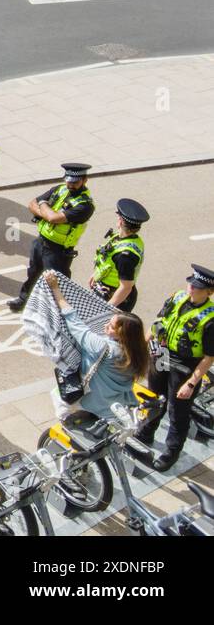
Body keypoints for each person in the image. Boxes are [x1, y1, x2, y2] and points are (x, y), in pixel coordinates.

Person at [136, 265, 214, 471]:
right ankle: (145, 433)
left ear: (209, 292)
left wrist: (191, 383)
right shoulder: (177, 297)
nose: (191, 288)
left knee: (177, 411)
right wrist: (142, 350)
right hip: (161, 353)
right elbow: (157, 323)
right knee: (154, 398)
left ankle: (171, 452)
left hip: (185, 366)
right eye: (191, 283)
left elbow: (209, 357)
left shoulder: (210, 319)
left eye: (197, 287)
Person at [42, 272, 149, 422]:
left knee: (59, 399)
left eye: (111, 326)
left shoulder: (103, 347)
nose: (105, 326)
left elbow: (75, 323)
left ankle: (67, 424)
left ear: (122, 334)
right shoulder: (138, 350)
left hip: (96, 401)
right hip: (118, 401)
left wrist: (55, 288)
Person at [7, 163, 96, 311]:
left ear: (85, 180)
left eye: (75, 182)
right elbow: (32, 204)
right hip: (41, 241)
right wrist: (45, 212)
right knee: (33, 273)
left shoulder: (85, 205)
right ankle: (24, 299)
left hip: (58, 250)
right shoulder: (60, 189)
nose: (70, 185)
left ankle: (60, 313)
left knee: (57, 284)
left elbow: (54, 219)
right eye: (68, 180)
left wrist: (43, 207)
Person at [89, 199, 149, 312]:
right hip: (104, 290)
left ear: (121, 221)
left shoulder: (125, 256)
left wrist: (106, 310)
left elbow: (126, 287)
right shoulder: (123, 238)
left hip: (115, 298)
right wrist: (96, 274)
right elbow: (107, 260)